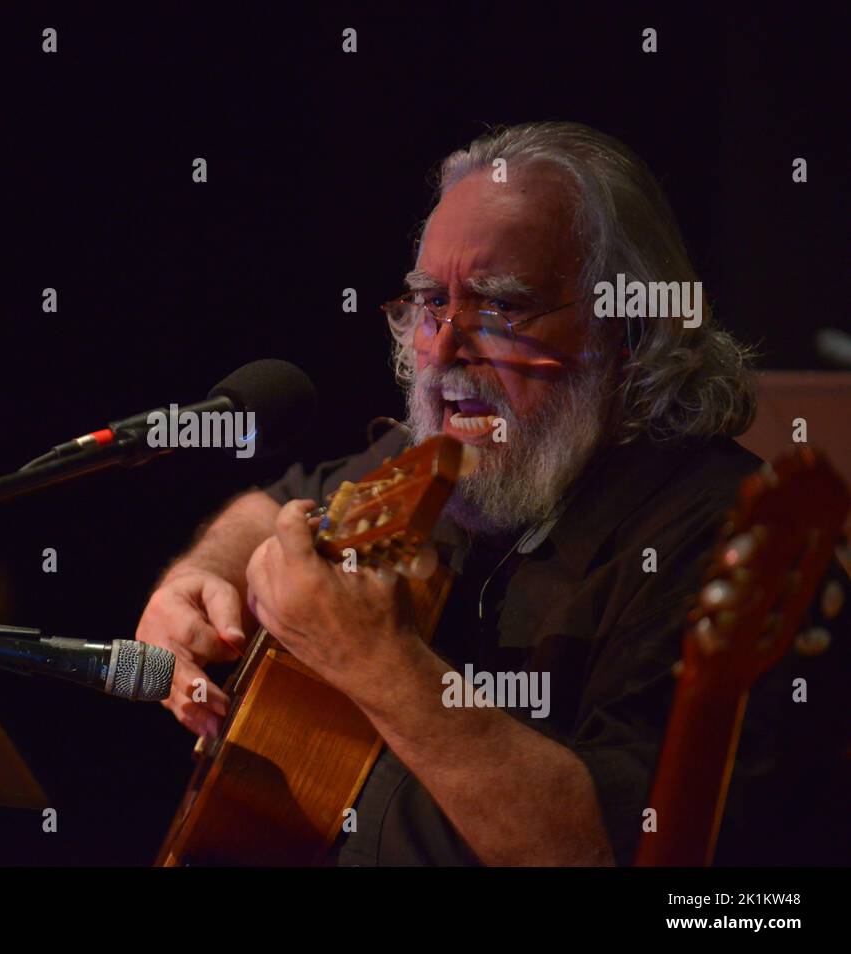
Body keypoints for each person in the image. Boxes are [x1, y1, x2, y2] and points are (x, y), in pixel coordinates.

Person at [135, 121, 850, 865]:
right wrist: (201, 575)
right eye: (427, 302)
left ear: (630, 330)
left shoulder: (716, 537)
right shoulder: (445, 463)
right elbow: (278, 504)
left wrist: (381, 666)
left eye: (500, 308)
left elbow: (616, 851)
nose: (443, 348)